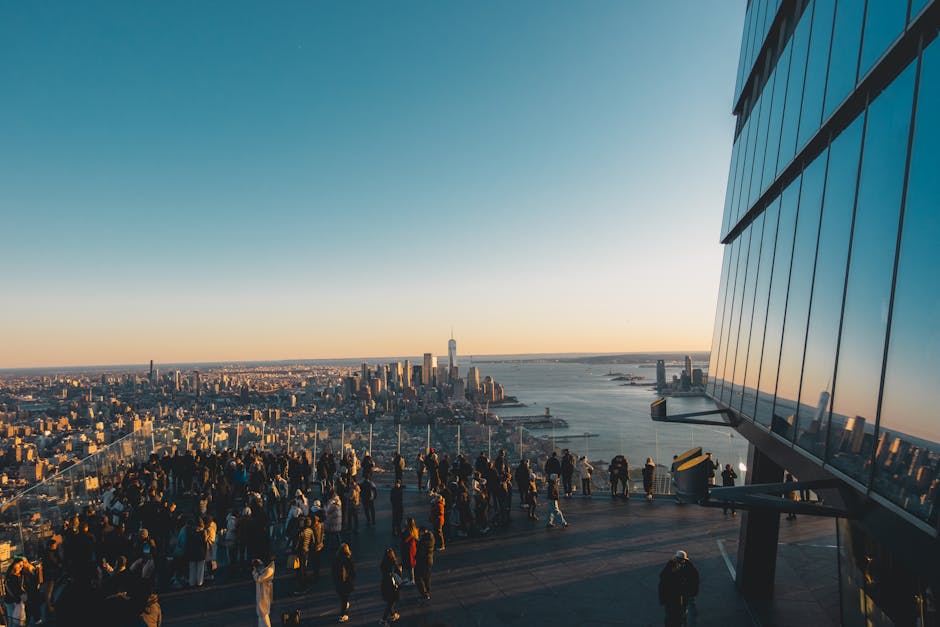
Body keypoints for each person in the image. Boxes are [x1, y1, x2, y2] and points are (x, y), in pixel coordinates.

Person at [658, 550, 700, 627]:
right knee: (677, 615)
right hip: (674, 597)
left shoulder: (672, 568)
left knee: (678, 615)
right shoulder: (673, 568)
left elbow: (662, 584)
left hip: (678, 597)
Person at [332, 543, 356, 623]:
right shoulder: (348, 559)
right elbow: (353, 571)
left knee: (343, 597)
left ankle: (345, 608)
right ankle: (343, 615)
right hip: (346, 582)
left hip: (338, 582)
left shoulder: (336, 559)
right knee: (345, 598)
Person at [378, 548, 402, 625]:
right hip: (392, 584)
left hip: (385, 584)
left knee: (390, 601)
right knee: (391, 602)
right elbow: (398, 572)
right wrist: (400, 570)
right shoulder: (393, 562)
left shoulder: (383, 563)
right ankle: (383, 619)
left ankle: (393, 614)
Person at [252, 553, 276, 627]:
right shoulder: (269, 567)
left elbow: (259, 579)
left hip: (264, 593)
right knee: (262, 614)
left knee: (263, 613)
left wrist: (254, 572)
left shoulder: (269, 570)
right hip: (263, 592)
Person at [414, 527, 435, 602]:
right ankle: (427, 592)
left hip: (423, 562)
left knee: (418, 577)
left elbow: (421, 552)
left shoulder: (423, 542)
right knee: (427, 577)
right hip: (429, 561)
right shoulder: (430, 538)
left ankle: (424, 594)